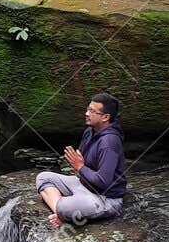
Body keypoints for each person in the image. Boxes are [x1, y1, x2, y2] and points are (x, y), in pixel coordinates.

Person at [35, 92, 127, 228]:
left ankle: (61, 212)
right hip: (84, 184)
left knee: (65, 206)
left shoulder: (109, 142)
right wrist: (79, 164)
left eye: (92, 111)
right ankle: (59, 213)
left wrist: (80, 167)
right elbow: (82, 161)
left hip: (104, 198)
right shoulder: (89, 132)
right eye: (88, 109)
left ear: (105, 117)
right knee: (43, 178)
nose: (86, 113)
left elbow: (103, 181)